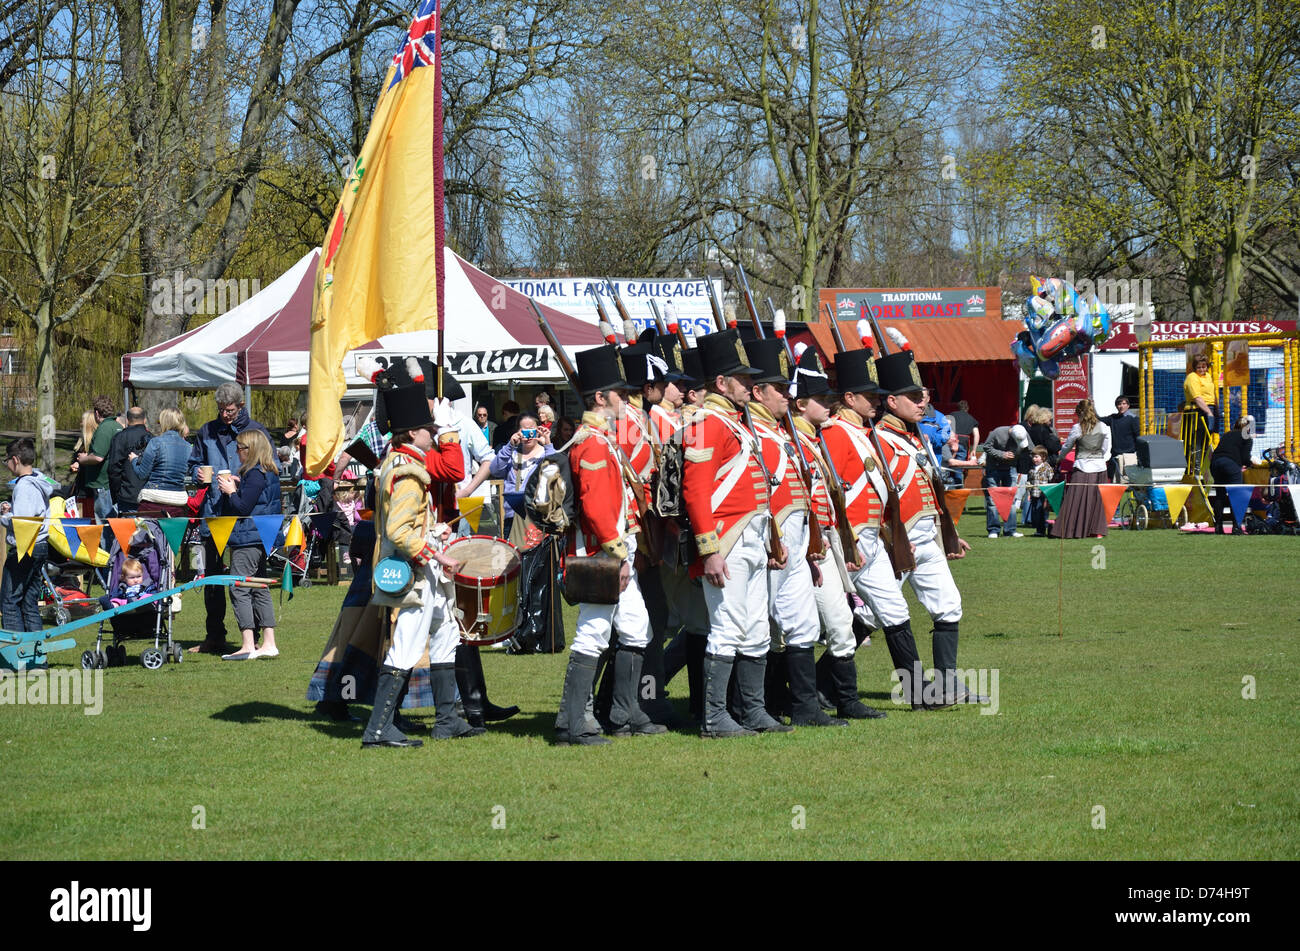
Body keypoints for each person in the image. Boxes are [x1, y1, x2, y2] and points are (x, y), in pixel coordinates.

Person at [553, 344, 665, 744]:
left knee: (636, 627)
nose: (625, 399)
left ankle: (623, 711)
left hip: (617, 551)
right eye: (617, 393)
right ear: (601, 398)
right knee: (594, 631)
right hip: (602, 553)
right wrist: (618, 556)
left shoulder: (600, 438)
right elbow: (600, 511)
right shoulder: (594, 442)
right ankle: (571, 723)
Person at [361, 375, 477, 747]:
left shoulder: (399, 462)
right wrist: (438, 552)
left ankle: (446, 720)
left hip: (420, 566)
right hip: (413, 571)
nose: (432, 432)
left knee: (444, 631)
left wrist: (434, 530)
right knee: (407, 644)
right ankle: (378, 729)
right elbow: (399, 532)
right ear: (413, 434)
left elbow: (410, 524)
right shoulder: (409, 471)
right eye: (427, 429)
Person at [681, 329, 786, 738]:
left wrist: (772, 539)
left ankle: (752, 710)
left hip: (753, 538)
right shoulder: (707, 422)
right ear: (721, 384)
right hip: (725, 541)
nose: (750, 385)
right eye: (742, 379)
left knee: (756, 625)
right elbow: (696, 490)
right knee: (726, 626)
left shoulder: (734, 423)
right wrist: (709, 550)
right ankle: (713, 717)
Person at [865, 347, 975, 707]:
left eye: (922, 395)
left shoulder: (915, 437)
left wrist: (949, 534)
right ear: (891, 401)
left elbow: (932, 488)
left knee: (949, 605)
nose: (921, 402)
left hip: (926, 537)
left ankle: (946, 685)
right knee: (870, 616)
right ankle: (823, 683)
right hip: (899, 541)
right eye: (912, 397)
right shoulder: (878, 440)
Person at [744, 338, 844, 728]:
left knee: (803, 624)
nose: (789, 396)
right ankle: (752, 705)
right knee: (757, 627)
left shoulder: (783, 435)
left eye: (790, 389)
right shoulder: (755, 436)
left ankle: (804, 707)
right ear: (759, 392)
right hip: (770, 540)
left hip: (797, 541)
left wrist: (807, 548)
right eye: (780, 390)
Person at [789, 346, 884, 721]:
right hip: (805, 546)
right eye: (819, 399)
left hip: (824, 541)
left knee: (839, 622)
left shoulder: (812, 439)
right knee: (804, 627)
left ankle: (842, 699)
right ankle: (800, 702)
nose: (828, 404)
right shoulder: (796, 441)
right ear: (801, 405)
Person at [186, 382, 274, 654]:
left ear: (241, 406)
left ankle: (253, 639)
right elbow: (192, 464)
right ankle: (215, 636)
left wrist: (244, 484)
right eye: (222, 409)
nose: (225, 414)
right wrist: (198, 474)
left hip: (244, 517)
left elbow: (272, 466)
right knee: (212, 578)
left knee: (247, 580)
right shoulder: (207, 431)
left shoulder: (256, 431)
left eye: (231, 410)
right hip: (213, 512)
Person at [212, 429, 282, 660]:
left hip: (248, 538)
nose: (237, 452)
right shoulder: (267, 471)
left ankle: (248, 644)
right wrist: (240, 486)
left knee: (239, 586)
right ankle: (269, 643)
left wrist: (231, 492)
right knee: (258, 586)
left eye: (240, 448)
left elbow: (242, 508)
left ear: (250, 450)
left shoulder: (255, 474)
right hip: (261, 536)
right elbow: (257, 500)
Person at [458, 414, 555, 539]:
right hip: (513, 518)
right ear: (518, 431)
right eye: (524, 430)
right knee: (514, 556)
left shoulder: (546, 453)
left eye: (532, 429)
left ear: (538, 429)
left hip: (538, 518)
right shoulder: (512, 454)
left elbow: (555, 472)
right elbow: (494, 469)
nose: (528, 434)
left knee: (538, 557)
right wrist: (510, 446)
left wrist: (547, 444)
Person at [1, 437, 55, 634]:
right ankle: (37, 657)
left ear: (15, 460)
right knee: (28, 601)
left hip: (25, 547)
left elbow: (22, 522)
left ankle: (16, 655)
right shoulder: (40, 481)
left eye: (6, 460)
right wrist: (11, 510)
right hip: (40, 546)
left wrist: (5, 516)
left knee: (9, 601)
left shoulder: (23, 487)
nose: (6, 465)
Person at [1051, 399, 1112, 539]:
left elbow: (1067, 446)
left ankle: (1072, 531)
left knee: (1075, 499)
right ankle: (1097, 531)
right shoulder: (1104, 426)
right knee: (1097, 501)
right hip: (1100, 467)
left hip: (1082, 466)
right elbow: (1106, 449)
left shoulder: (1077, 428)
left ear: (1079, 413)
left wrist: (1060, 458)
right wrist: (1100, 459)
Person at [132, 408, 192, 517]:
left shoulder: (156, 442)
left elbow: (142, 474)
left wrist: (134, 460)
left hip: (154, 500)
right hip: (179, 501)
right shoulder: (188, 447)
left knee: (148, 533)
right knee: (173, 534)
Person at [1210, 415, 1258, 534]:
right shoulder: (1246, 436)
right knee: (1236, 495)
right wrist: (1250, 464)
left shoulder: (1227, 434)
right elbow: (1245, 458)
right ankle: (1236, 527)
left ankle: (1218, 527)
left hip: (1215, 463)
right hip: (1230, 465)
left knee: (1219, 495)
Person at [981, 424, 1031, 537]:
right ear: (1011, 434)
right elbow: (986, 447)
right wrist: (1001, 454)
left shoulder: (1023, 433)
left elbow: (1029, 449)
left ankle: (1010, 530)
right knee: (992, 500)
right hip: (993, 469)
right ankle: (993, 530)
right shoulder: (997, 432)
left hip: (1011, 469)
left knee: (1011, 500)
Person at [78, 395, 122, 519]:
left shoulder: (104, 428)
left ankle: (105, 540)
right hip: (113, 482)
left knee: (104, 523)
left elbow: (98, 457)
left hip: (102, 484)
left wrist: (83, 459)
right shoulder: (117, 426)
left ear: (97, 413)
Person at [1182, 353, 1217, 476]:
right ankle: (1194, 471)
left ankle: (1204, 469)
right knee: (1195, 442)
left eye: (1204, 367)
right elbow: (1197, 397)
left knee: (1206, 442)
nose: (1202, 370)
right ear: (1194, 368)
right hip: (1196, 411)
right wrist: (1209, 413)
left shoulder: (1208, 377)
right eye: (1199, 367)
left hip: (1209, 409)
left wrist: (1212, 411)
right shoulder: (1192, 377)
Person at [62, 410, 98, 515]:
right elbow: (75, 462)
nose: (80, 423)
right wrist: (74, 466)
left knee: (91, 521)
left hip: (91, 490)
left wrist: (83, 463)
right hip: (80, 489)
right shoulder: (81, 442)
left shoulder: (96, 444)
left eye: (82, 420)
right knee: (80, 520)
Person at [1104, 396, 1140, 482]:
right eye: (1119, 404)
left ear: (1128, 405)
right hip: (1115, 454)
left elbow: (1138, 436)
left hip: (1129, 455)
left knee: (1128, 481)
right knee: (1113, 480)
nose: (1121, 406)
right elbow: (1099, 419)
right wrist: (1091, 408)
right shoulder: (1113, 418)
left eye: (1124, 404)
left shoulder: (1133, 419)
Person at [1025, 446, 1054, 536]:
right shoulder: (1031, 469)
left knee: (1044, 512)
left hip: (1044, 495)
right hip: (1034, 494)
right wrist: (1029, 493)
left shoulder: (1047, 468)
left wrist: (1049, 492)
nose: (1034, 459)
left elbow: (1051, 479)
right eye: (1033, 457)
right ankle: (1039, 529)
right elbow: (1029, 481)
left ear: (1043, 457)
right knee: (1036, 513)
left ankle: (1043, 530)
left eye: (1037, 457)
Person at [1023, 404, 1061, 469]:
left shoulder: (1033, 428)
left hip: (1037, 458)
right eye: (1049, 420)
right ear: (1044, 418)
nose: (1050, 422)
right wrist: (1058, 442)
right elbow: (1051, 446)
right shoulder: (1043, 430)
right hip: (1045, 459)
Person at [917, 387, 951, 457]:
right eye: (917, 397)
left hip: (933, 460)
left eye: (922, 397)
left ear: (928, 399)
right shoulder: (909, 415)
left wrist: (930, 438)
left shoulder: (940, 417)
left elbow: (945, 436)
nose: (919, 400)